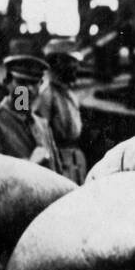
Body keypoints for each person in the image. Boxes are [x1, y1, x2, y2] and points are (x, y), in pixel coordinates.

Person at [0, 55, 60, 169]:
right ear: (7, 82)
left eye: (34, 83)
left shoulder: (42, 125)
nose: (28, 89)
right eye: (22, 82)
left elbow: (58, 173)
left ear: (40, 85)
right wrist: (30, 164)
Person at [36, 39, 86, 183]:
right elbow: (41, 136)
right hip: (58, 165)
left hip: (74, 164)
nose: (77, 66)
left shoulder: (68, 94)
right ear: (58, 62)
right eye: (72, 61)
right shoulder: (47, 94)